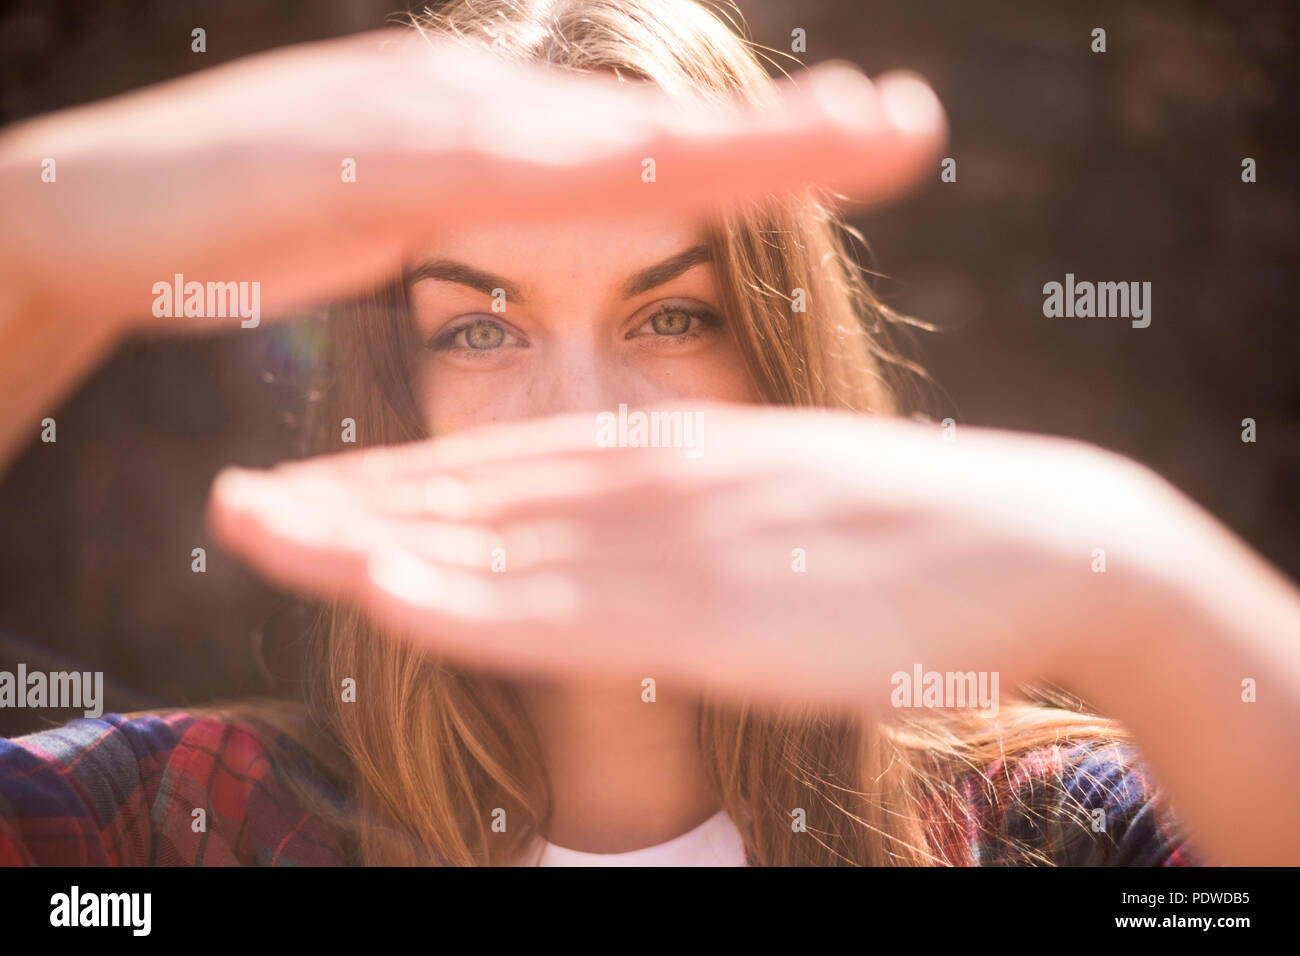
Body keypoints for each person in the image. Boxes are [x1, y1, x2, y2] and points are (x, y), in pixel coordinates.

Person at [0, 0, 1296, 867]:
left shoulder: (1049, 832)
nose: (587, 418)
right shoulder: (188, 824)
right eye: (479, 329)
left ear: (785, 360)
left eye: (674, 317)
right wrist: (32, 239)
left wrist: (1142, 584)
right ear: (394, 401)